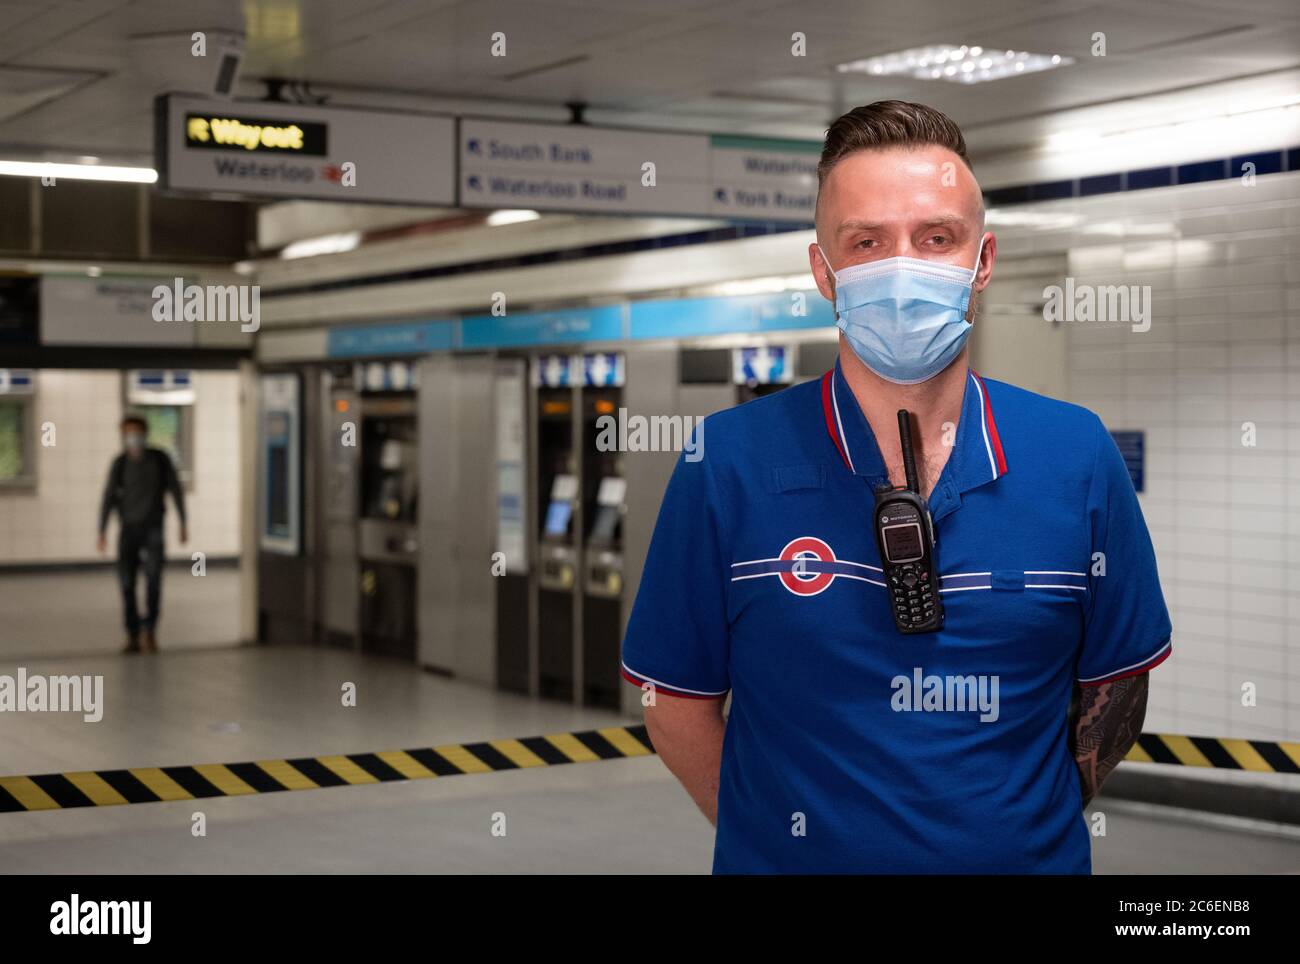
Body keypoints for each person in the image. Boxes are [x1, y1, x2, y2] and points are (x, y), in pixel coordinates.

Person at [620, 101, 1172, 874]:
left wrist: (1010, 829)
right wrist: (783, 841)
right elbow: (674, 703)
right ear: (825, 272)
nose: (904, 267)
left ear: (982, 262)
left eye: (936, 238)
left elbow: (1116, 691)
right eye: (868, 242)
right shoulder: (727, 462)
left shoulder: (1075, 455)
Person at [97, 415, 188, 654]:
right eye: (129, 434)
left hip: (153, 528)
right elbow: (108, 496)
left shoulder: (159, 459)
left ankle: (151, 630)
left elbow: (175, 489)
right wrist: (102, 530)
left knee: (154, 579)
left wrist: (183, 521)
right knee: (127, 582)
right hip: (128, 530)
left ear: (145, 434)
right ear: (123, 436)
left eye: (137, 433)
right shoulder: (120, 463)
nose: (133, 438)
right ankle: (132, 633)